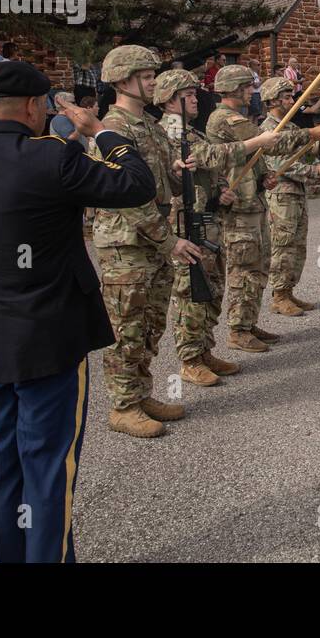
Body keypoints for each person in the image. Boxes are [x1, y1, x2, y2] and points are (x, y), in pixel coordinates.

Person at [0, 59, 156, 562]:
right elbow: (136, 185)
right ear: (31, 107)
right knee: (47, 467)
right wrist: (104, 130)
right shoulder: (53, 158)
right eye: (46, 105)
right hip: (49, 338)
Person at [91, 45, 198, 438]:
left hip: (152, 240)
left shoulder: (151, 127)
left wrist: (178, 170)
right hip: (126, 244)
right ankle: (122, 406)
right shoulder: (112, 130)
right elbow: (126, 197)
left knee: (151, 323)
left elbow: (161, 184)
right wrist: (169, 241)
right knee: (127, 327)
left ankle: (140, 392)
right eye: (146, 75)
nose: (154, 81)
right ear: (123, 80)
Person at [157, 69, 276, 385]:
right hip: (186, 223)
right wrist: (256, 142)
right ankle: (189, 359)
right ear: (170, 100)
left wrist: (219, 191)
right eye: (189, 96)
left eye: (196, 94)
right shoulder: (167, 133)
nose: (196, 99)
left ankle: (204, 349)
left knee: (211, 290)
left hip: (208, 219)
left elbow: (209, 170)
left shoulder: (191, 132)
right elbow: (210, 154)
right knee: (190, 294)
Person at [207, 64, 320, 350]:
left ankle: (248, 324)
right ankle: (238, 330)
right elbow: (270, 143)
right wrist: (311, 133)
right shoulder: (227, 118)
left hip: (253, 198)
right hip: (238, 204)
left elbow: (257, 154)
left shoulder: (237, 117)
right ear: (236, 89)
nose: (252, 92)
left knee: (257, 264)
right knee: (245, 268)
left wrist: (264, 176)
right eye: (248, 87)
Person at [260, 76, 320, 317]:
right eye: (287, 97)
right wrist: (314, 171)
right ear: (272, 100)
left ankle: (288, 290)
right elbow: (280, 164)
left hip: (297, 194)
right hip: (281, 195)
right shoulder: (268, 130)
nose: (292, 101)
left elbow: (307, 149)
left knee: (297, 245)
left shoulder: (290, 127)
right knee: (282, 245)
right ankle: (279, 295)